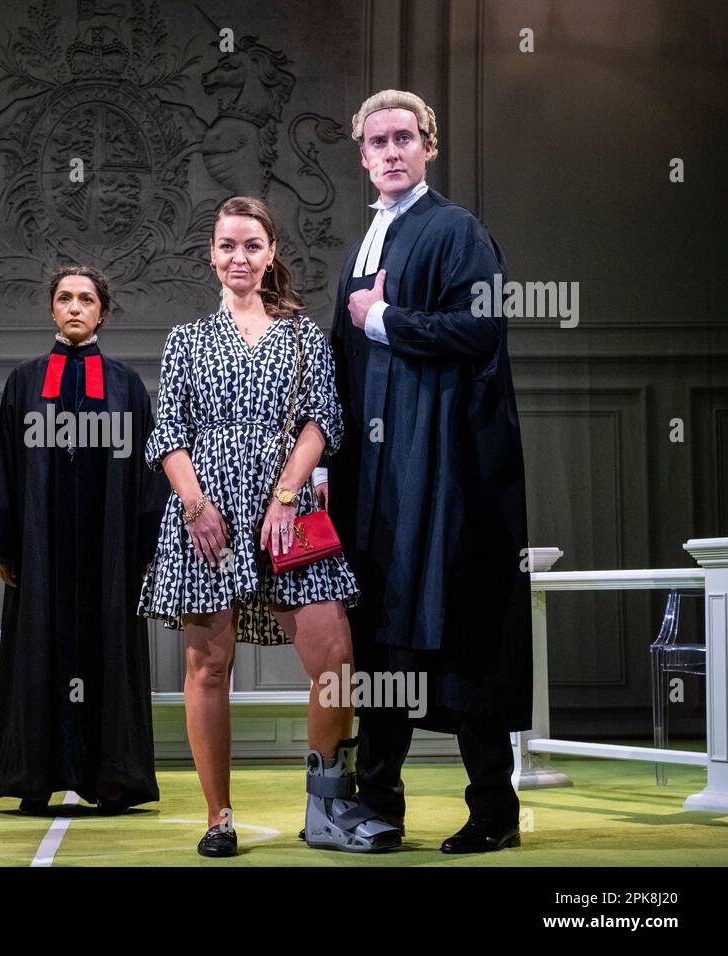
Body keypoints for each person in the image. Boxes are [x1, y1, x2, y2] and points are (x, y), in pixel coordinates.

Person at [139, 196, 401, 856]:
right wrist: (197, 508)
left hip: (291, 510)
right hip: (208, 514)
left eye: (252, 245)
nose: (239, 257)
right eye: (228, 245)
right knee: (208, 666)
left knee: (335, 659)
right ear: (211, 254)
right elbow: (168, 433)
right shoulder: (186, 339)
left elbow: (322, 424)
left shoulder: (304, 336)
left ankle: (324, 809)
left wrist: (286, 496)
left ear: (270, 253)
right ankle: (218, 816)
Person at [326, 89, 532, 853]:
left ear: (429, 146)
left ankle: (493, 811)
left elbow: (480, 330)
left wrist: (382, 319)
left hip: (442, 477)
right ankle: (379, 805)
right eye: (376, 141)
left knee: (458, 633)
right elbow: (342, 368)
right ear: (362, 155)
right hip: (372, 484)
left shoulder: (457, 230)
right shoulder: (360, 247)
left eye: (403, 138)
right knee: (379, 641)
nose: (389, 151)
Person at [0, 266, 168, 816]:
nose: (75, 307)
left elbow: (145, 470)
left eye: (86, 299)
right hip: (41, 551)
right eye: (65, 298)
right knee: (38, 647)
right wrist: (4, 545)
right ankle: (35, 777)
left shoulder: (125, 384)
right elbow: (7, 469)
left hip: (108, 554)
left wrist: (144, 548)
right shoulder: (22, 381)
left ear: (102, 310)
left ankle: (111, 778)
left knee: (108, 647)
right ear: (52, 309)